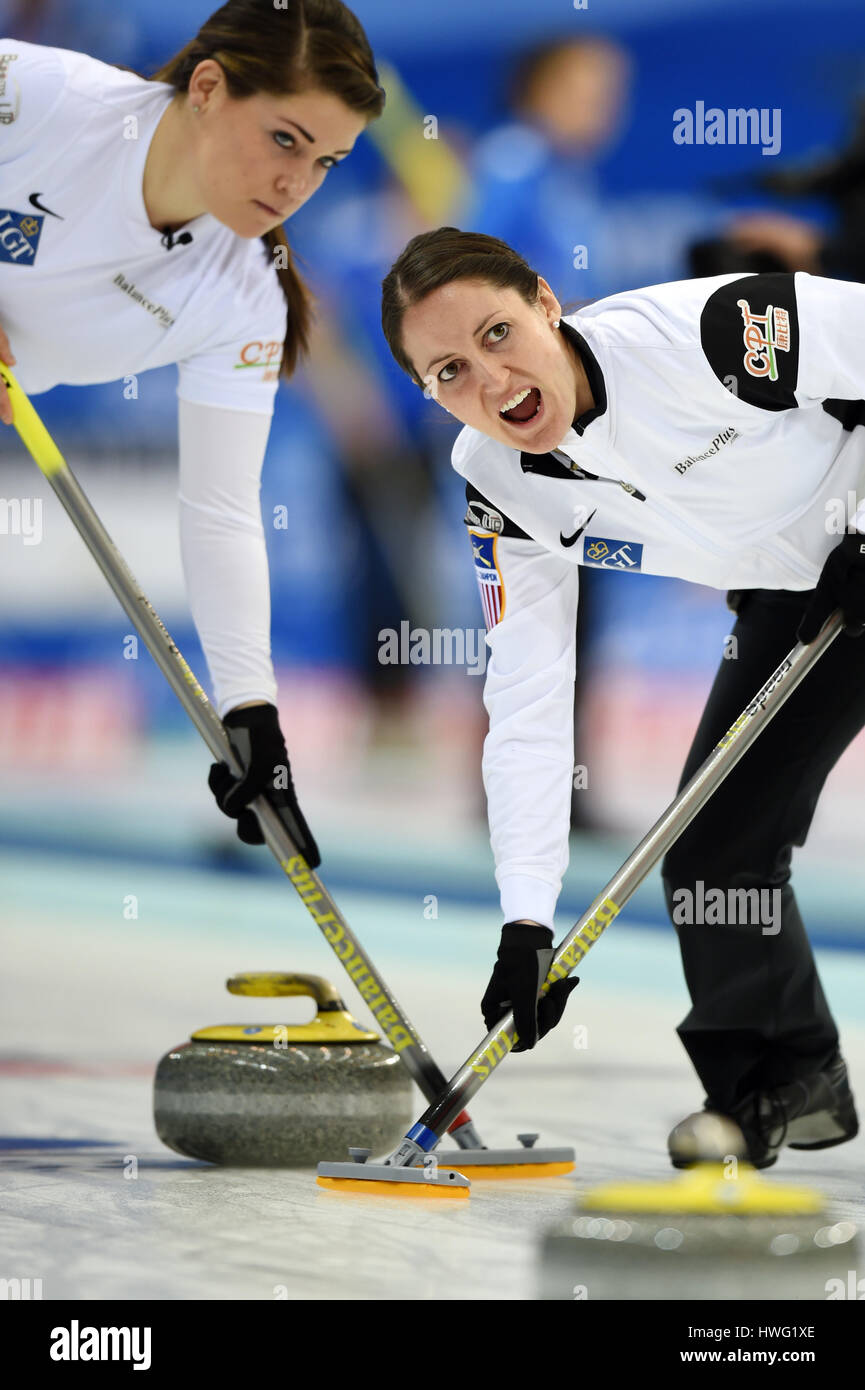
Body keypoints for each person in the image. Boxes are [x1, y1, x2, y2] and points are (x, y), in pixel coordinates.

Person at [380, 226, 863, 1169]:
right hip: (804, 591)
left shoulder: (712, 330)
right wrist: (525, 922)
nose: (489, 380)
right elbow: (524, 701)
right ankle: (781, 1082)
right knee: (717, 844)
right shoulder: (499, 487)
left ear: (546, 304)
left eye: (496, 334)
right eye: (445, 372)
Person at [0, 0, 385, 863]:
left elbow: (220, 508)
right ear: (207, 88)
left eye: (326, 161)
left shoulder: (245, 293)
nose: (296, 184)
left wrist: (251, 712)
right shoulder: (45, 98)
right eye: (284, 139)